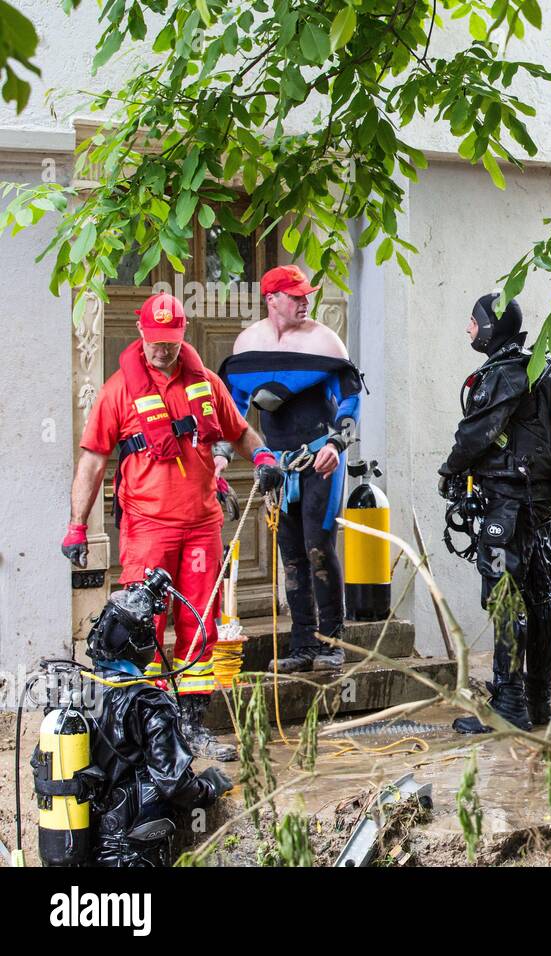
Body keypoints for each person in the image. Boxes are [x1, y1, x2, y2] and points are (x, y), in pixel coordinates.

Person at [62, 293, 284, 761]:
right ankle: (144, 728)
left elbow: (240, 431)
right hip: (146, 528)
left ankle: (191, 725)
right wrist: (77, 526)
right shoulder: (119, 390)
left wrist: (264, 457)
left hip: (201, 526)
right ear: (142, 334)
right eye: (155, 341)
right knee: (143, 627)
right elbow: (93, 460)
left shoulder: (206, 382)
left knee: (198, 625)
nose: (162, 350)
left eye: (171, 341)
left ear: (181, 336)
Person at [219, 265, 363, 673]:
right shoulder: (248, 344)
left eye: (307, 296)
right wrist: (221, 456)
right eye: (296, 296)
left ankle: (331, 643)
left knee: (319, 545)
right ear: (272, 300)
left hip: (320, 458)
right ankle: (302, 645)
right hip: (277, 466)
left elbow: (351, 400)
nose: (305, 302)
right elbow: (232, 410)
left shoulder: (324, 341)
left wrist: (338, 443)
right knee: (292, 555)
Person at [437, 293, 551, 733]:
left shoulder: (505, 372)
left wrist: (449, 469)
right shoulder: (534, 366)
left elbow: (478, 432)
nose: (469, 330)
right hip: (537, 503)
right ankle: (537, 702)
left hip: (508, 504)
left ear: (490, 327)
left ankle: (510, 704)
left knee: (505, 597)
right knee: (539, 594)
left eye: (473, 323)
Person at [82, 571, 233, 867]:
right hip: (132, 852)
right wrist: (209, 788)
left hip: (86, 847)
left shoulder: (77, 690)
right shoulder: (148, 703)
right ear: (140, 645)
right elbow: (174, 783)